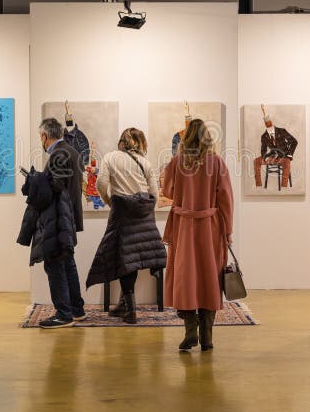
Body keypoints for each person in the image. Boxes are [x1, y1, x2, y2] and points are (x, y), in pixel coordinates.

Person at [162, 119, 234, 351]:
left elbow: (166, 192)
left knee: (186, 278)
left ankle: (190, 332)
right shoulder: (218, 163)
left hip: (184, 227)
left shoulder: (176, 163)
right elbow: (226, 201)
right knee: (209, 277)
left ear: (186, 138)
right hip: (210, 227)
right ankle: (208, 337)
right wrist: (228, 230)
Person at [85, 128, 166, 324]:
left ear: (121, 141)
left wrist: (110, 202)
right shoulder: (145, 163)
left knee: (125, 256)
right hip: (143, 217)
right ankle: (123, 304)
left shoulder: (111, 158)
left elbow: (101, 185)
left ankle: (130, 310)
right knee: (134, 256)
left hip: (122, 214)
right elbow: (154, 194)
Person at [38, 117, 86, 329]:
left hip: (58, 219)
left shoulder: (59, 154)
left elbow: (55, 187)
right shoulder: (72, 151)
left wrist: (36, 184)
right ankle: (77, 310)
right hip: (69, 217)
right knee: (67, 263)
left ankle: (63, 314)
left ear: (44, 136)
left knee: (55, 263)